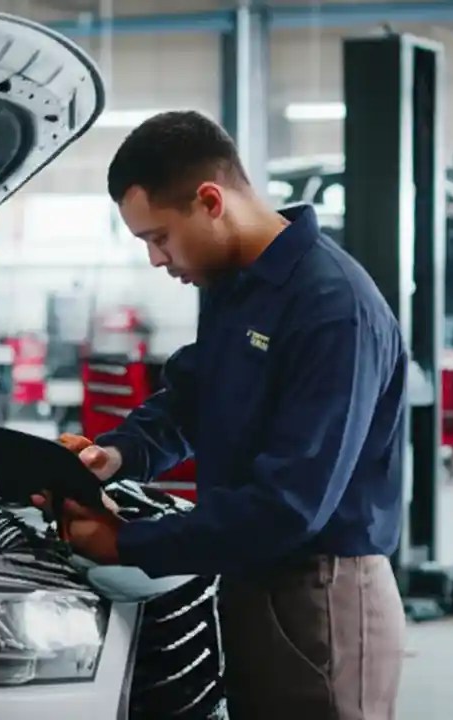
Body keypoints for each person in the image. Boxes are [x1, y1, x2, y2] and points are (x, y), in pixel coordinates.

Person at [33, 110, 408, 719]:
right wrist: (118, 456)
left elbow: (289, 505)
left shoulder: (332, 308)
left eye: (159, 237)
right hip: (251, 574)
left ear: (211, 201)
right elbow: (193, 394)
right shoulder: (237, 285)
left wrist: (127, 542)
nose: (157, 259)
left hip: (321, 595)